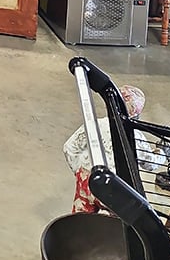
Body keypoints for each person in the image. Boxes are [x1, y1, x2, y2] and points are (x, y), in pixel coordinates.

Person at [63, 85, 160, 213]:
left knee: (80, 217)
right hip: (114, 187)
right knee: (116, 222)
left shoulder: (94, 124)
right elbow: (150, 163)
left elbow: (69, 148)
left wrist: (79, 171)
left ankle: (76, 230)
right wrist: (162, 152)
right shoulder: (135, 136)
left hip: (88, 180)